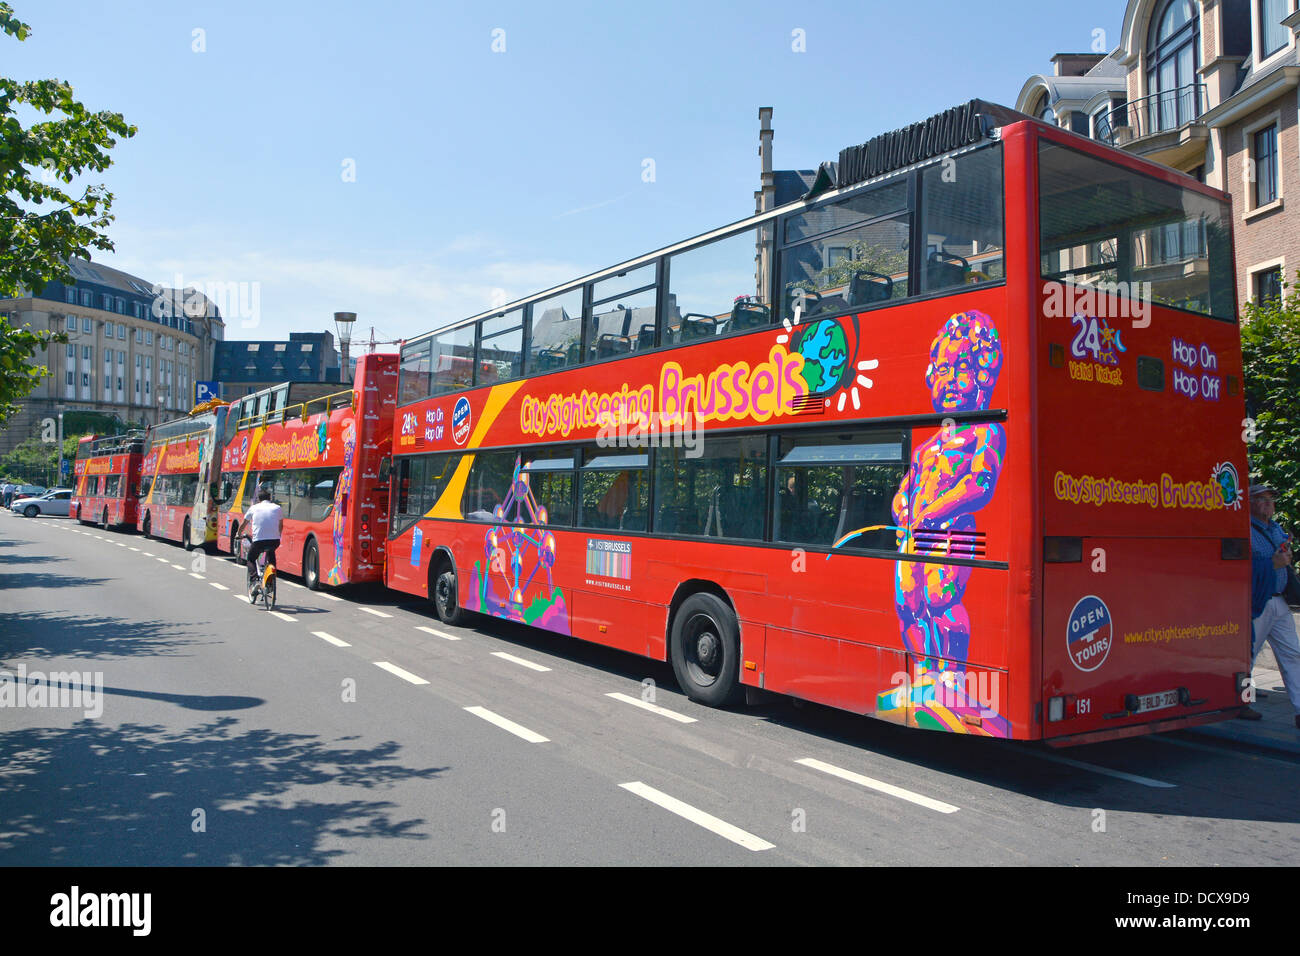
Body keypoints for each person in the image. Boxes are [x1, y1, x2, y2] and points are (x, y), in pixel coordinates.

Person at [1247, 482, 1300, 728]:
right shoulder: (1244, 531)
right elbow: (1241, 568)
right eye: (1261, 499)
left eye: (1271, 499)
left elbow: (1283, 554)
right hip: (1258, 602)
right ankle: (1240, 702)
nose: (1269, 504)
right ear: (1249, 503)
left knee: (1292, 653)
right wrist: (1272, 564)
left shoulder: (1276, 528)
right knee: (1247, 655)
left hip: (1279, 600)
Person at [238, 486, 283, 590]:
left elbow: (244, 523)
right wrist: (278, 535)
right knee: (271, 554)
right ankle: (271, 581)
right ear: (270, 498)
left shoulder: (253, 508)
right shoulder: (277, 508)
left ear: (259, 499)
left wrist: (238, 534)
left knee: (251, 558)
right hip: (274, 541)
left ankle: (254, 581)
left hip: (259, 541)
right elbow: (281, 525)